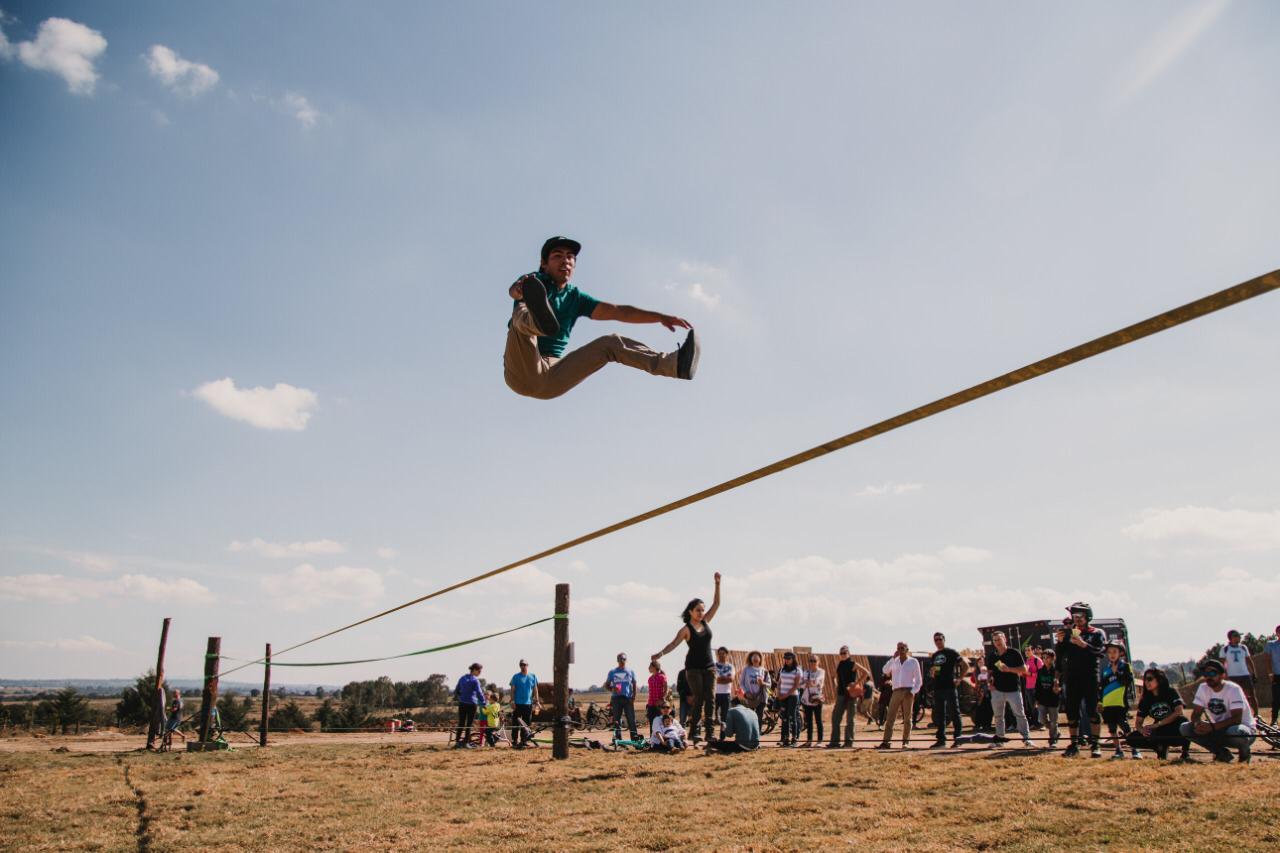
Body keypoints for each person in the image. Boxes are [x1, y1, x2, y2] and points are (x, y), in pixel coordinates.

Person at [504, 236, 699, 400]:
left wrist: (659, 317)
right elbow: (515, 291)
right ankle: (536, 323)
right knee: (520, 317)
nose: (565, 261)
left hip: (554, 375)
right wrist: (518, 291)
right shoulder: (534, 281)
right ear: (544, 264)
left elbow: (618, 311)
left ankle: (674, 365)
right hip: (522, 368)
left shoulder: (576, 298)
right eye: (557, 256)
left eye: (570, 257)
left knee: (611, 343)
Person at [652, 572, 722, 743]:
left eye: (702, 610)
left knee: (711, 698)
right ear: (691, 611)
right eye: (698, 610)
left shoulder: (706, 622)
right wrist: (660, 654)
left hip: (709, 667)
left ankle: (710, 733)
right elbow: (673, 643)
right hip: (693, 669)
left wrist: (717, 584)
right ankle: (694, 731)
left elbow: (717, 604)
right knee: (699, 698)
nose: (701, 612)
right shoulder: (686, 629)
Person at [1179, 659, 1257, 763]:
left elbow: (1237, 719)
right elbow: (1196, 714)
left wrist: (1211, 727)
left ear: (1222, 675)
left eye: (1212, 672)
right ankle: (1221, 753)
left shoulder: (1233, 689)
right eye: (1205, 673)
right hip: (1218, 729)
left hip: (1243, 730)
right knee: (1185, 728)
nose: (1208, 676)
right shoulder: (1203, 688)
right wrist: (1198, 724)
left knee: (1235, 731)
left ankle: (1244, 752)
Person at [1058, 603, 1105, 758]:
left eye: (1080, 617)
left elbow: (1100, 652)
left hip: (1090, 676)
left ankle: (1096, 744)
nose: (1077, 620)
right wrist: (1060, 642)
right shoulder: (1069, 633)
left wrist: (1083, 645)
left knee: (1092, 711)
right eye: (1075, 617)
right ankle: (1074, 744)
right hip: (1072, 677)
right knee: (1072, 711)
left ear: (1087, 617)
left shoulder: (1097, 633)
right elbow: (1060, 655)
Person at [1126, 668, 1188, 760]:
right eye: (1145, 679)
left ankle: (1185, 752)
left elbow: (1178, 712)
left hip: (1174, 727)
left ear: (1159, 679)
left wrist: (1156, 725)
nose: (1147, 682)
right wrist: (1142, 730)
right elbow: (1138, 723)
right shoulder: (1145, 699)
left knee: (1184, 723)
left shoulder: (1171, 692)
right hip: (1159, 730)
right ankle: (1160, 748)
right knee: (1131, 738)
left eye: (1150, 679)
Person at [986, 632, 1033, 748]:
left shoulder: (1014, 653)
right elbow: (990, 672)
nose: (997, 642)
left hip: (1013, 689)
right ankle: (999, 739)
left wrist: (1009, 669)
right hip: (997, 690)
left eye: (999, 639)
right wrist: (990, 682)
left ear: (1005, 639)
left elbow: (1024, 669)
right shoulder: (992, 655)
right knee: (998, 716)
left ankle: (1027, 738)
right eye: (995, 640)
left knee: (1020, 714)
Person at [877, 642, 922, 749]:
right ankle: (886, 742)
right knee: (890, 717)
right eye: (898, 648)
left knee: (907, 718)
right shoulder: (894, 661)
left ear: (907, 649)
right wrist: (893, 658)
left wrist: (913, 691)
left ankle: (905, 742)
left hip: (908, 690)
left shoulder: (913, 661)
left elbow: (919, 680)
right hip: (896, 691)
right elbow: (885, 670)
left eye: (902, 648)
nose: (900, 650)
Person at [1098, 641, 1136, 759]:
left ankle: (1135, 749)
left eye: (1115, 651)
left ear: (1121, 653)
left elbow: (1127, 681)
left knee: (1125, 726)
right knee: (1112, 728)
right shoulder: (1106, 670)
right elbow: (1102, 687)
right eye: (1109, 652)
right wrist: (1100, 702)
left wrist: (1117, 672)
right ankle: (1118, 750)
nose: (1112, 654)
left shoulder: (1125, 666)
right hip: (1108, 704)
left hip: (1120, 703)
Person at [827, 645, 868, 749]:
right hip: (841, 694)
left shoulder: (853, 663)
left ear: (848, 653)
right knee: (835, 718)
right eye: (841, 653)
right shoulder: (840, 664)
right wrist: (836, 685)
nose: (843, 655)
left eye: (845, 653)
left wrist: (856, 683)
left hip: (852, 695)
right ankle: (834, 742)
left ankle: (848, 742)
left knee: (850, 719)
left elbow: (866, 673)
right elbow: (833, 676)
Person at [927, 633, 962, 748]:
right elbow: (934, 671)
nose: (937, 641)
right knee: (939, 715)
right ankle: (941, 740)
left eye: (939, 639)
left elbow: (965, 665)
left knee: (954, 713)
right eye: (935, 640)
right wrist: (932, 673)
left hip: (949, 686)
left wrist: (960, 678)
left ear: (944, 640)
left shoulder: (951, 652)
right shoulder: (935, 655)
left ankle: (958, 739)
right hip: (938, 688)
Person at [1220, 629, 1259, 715]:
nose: (1239, 637)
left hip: (1245, 674)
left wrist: (1253, 672)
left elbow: (1249, 660)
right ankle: (1235, 714)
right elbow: (1222, 663)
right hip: (1232, 676)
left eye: (1239, 636)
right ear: (1230, 638)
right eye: (1236, 636)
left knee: (1251, 695)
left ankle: (1256, 714)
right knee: (1233, 696)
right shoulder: (1225, 649)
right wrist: (1224, 675)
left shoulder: (1243, 647)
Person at [605, 653, 640, 742]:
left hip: (628, 698)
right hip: (616, 699)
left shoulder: (630, 671)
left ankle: (635, 739)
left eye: (624, 659)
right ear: (617, 660)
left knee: (631, 719)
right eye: (620, 659)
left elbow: (634, 683)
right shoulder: (612, 672)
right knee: (617, 720)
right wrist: (613, 688)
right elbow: (606, 685)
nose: (622, 661)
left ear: (626, 660)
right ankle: (618, 740)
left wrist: (634, 696)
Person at [1033, 648, 1062, 748]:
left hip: (1054, 700)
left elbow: (1061, 684)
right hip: (1042, 700)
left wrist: (1058, 689)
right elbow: (1037, 686)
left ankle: (1052, 740)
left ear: (1053, 658)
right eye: (1044, 657)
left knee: (1054, 721)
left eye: (1048, 658)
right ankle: (1056, 732)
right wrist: (1036, 699)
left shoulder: (1057, 671)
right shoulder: (1040, 671)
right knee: (1042, 720)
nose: (1045, 660)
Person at [508, 659, 540, 748]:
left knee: (526, 724)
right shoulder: (516, 676)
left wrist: (537, 701)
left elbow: (535, 689)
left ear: (527, 665)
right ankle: (514, 741)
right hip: (517, 704)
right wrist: (512, 700)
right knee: (515, 723)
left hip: (528, 704)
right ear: (520, 666)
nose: (523, 666)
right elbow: (512, 690)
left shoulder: (533, 676)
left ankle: (524, 741)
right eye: (521, 665)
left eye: (525, 664)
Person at [775, 652, 804, 747]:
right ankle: (785, 739)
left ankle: (794, 739)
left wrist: (786, 695)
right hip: (782, 696)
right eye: (785, 658)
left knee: (792, 717)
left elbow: (796, 686)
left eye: (789, 658)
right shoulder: (782, 669)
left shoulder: (797, 670)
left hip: (792, 696)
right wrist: (778, 693)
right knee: (784, 718)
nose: (787, 660)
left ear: (793, 659)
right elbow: (779, 682)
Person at [454, 663, 486, 748]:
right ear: (474, 670)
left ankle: (457, 742)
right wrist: (484, 703)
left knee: (461, 723)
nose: (480, 672)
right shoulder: (475, 680)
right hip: (472, 704)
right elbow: (479, 693)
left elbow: (456, 690)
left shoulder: (462, 678)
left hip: (462, 704)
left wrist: (462, 696)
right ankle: (466, 743)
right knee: (468, 724)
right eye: (479, 671)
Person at [799, 655, 826, 747]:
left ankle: (819, 741)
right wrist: (808, 683)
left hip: (817, 699)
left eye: (814, 661)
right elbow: (801, 684)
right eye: (811, 661)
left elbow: (819, 682)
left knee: (818, 720)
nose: (812, 663)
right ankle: (809, 741)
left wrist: (809, 683)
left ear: (818, 662)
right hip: (807, 699)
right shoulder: (806, 672)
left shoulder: (821, 671)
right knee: (808, 721)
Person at [738, 651, 770, 726]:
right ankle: (749, 734)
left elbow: (769, 685)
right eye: (753, 656)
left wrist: (763, 683)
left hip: (761, 697)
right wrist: (746, 692)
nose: (755, 658)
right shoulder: (746, 669)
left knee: (759, 717)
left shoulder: (764, 671)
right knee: (749, 717)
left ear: (760, 659)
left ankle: (756, 735)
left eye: (757, 656)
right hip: (750, 697)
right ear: (750, 658)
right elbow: (741, 683)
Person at [713, 647, 735, 736]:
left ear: (726, 654)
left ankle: (722, 735)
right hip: (715, 693)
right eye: (719, 653)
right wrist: (724, 678)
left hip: (726, 693)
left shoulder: (730, 666)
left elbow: (731, 679)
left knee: (724, 716)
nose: (721, 655)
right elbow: (715, 679)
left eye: (723, 653)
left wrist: (720, 679)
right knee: (712, 715)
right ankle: (711, 735)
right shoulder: (714, 665)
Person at [1023, 646, 1044, 729]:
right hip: (1028, 687)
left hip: (1037, 687)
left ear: (1033, 651)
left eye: (1029, 650)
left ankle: (1042, 724)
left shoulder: (1037, 660)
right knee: (1032, 706)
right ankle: (1035, 724)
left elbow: (1042, 674)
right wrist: (1024, 674)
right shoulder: (1027, 661)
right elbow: (1026, 674)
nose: (1027, 652)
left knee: (1039, 705)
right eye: (1026, 650)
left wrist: (1030, 674)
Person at [971, 660, 993, 732]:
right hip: (980, 692)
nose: (981, 663)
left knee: (989, 708)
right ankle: (979, 724)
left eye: (982, 662)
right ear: (977, 664)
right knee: (980, 708)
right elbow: (974, 680)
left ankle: (987, 724)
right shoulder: (976, 672)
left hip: (988, 691)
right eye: (979, 662)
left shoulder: (987, 671)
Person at [646, 661, 669, 725]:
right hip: (651, 703)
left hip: (659, 704)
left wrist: (662, 699)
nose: (648, 668)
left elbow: (666, 689)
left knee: (660, 722)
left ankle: (660, 735)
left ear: (655, 667)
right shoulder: (649, 679)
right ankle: (652, 735)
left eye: (650, 666)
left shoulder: (662, 677)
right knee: (651, 722)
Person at [1266, 625, 1280, 727]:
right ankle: (1274, 720)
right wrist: (1270, 673)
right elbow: (1267, 660)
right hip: (1277, 675)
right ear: (1276, 633)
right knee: (1276, 699)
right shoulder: (1271, 645)